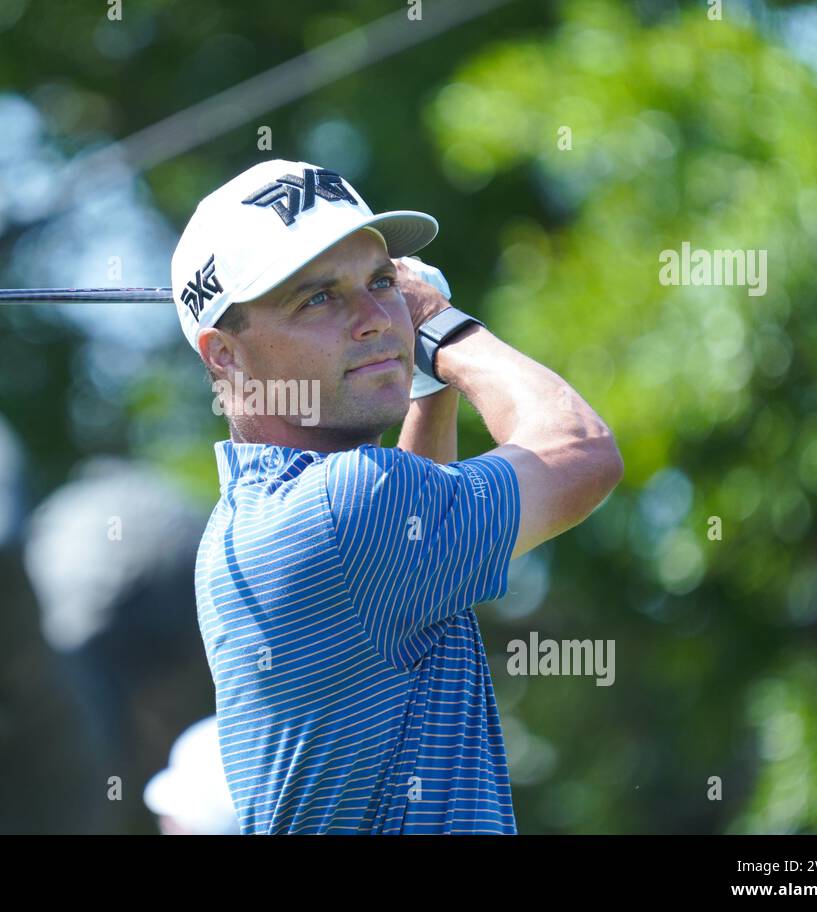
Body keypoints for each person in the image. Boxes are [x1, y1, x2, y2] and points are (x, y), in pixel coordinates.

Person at [169, 158, 624, 834]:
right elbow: (582, 452)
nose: (377, 318)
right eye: (318, 298)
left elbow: (412, 555)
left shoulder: (258, 518)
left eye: (381, 282)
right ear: (224, 357)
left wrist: (426, 384)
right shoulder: (345, 510)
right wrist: (442, 327)